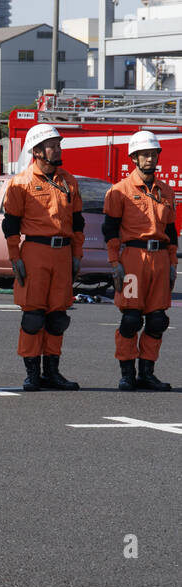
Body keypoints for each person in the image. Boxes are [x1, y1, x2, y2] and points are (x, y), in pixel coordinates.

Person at [3, 124, 84, 391]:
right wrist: (15, 257)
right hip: (35, 252)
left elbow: (78, 222)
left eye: (58, 144)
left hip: (62, 253)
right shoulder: (20, 183)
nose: (58, 149)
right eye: (53, 145)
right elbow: (11, 225)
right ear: (37, 151)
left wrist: (76, 255)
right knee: (33, 316)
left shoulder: (69, 181)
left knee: (58, 317)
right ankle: (31, 373)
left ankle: (52, 372)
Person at [105, 130, 177, 391]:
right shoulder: (119, 191)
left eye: (153, 153)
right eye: (144, 154)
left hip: (159, 260)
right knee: (131, 318)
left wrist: (172, 265)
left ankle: (147, 372)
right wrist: (115, 263)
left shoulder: (166, 191)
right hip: (133, 260)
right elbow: (109, 230)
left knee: (158, 320)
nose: (150, 158)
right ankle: (127, 373)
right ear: (134, 157)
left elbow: (171, 233)